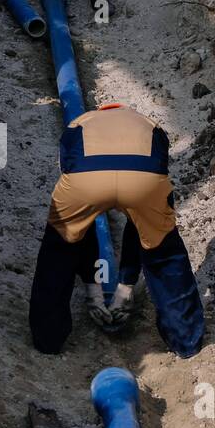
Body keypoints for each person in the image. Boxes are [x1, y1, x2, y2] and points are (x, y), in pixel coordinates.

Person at [28, 103, 205, 358]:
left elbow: (82, 227)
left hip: (85, 182)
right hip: (142, 181)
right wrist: (126, 285)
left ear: (101, 112)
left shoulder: (80, 123)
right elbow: (139, 225)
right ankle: (186, 341)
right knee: (164, 252)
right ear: (127, 111)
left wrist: (92, 285)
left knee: (59, 250)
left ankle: (47, 340)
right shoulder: (149, 125)